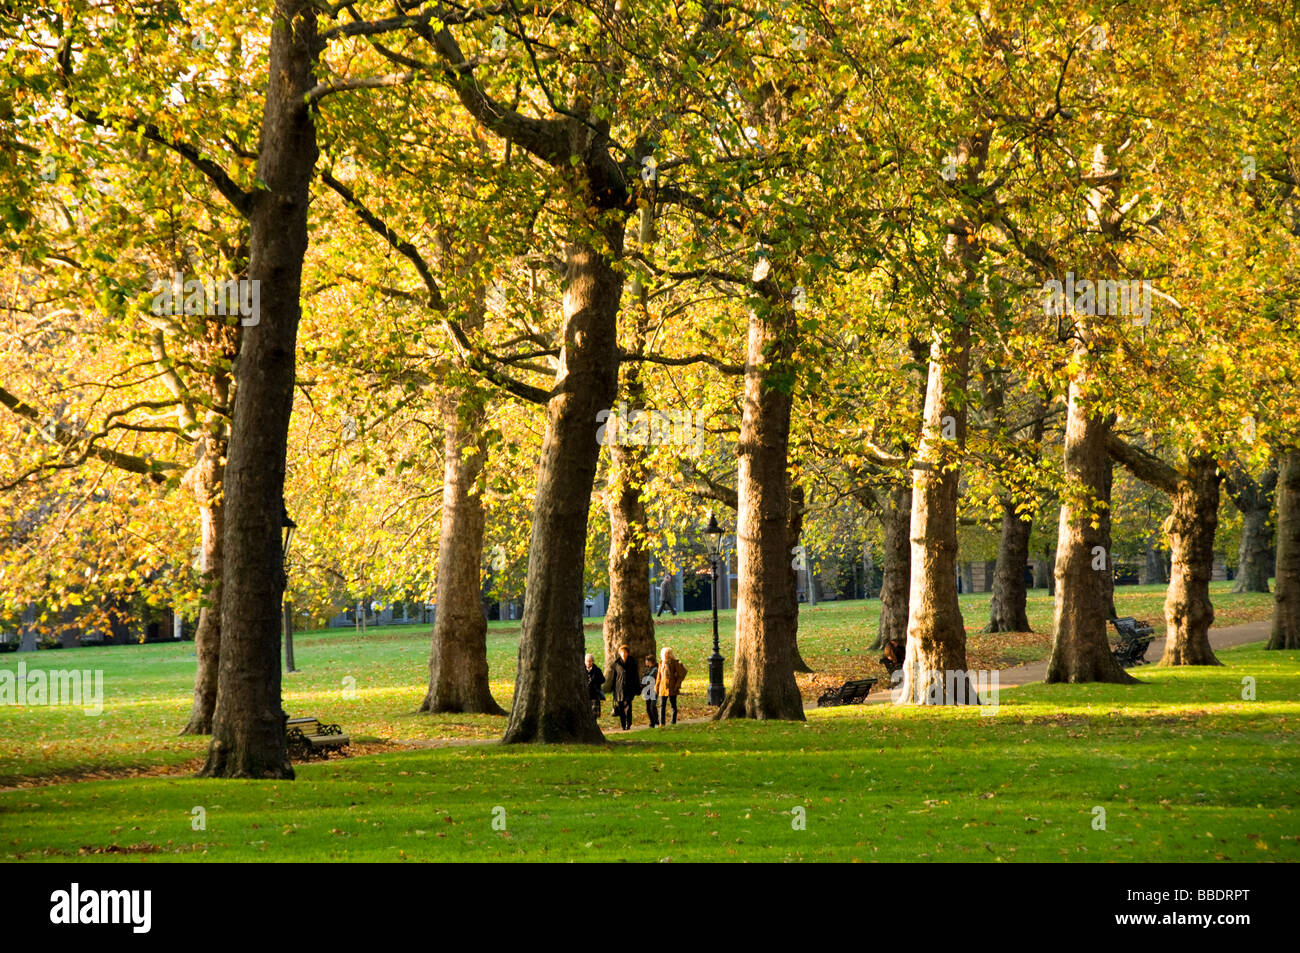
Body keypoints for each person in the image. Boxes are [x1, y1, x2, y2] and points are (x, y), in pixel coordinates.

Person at [609, 644, 639, 730]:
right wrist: (613, 688)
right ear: (619, 653)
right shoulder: (617, 663)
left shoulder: (632, 662)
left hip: (629, 688)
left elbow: (635, 675)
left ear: (628, 653)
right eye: (622, 652)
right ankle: (623, 724)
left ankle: (628, 723)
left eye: (625, 652)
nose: (624, 654)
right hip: (619, 688)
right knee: (621, 708)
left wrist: (637, 687)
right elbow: (614, 677)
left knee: (628, 707)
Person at [655, 647, 687, 725]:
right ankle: (662, 723)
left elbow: (680, 675)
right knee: (662, 706)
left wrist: (677, 686)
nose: (666, 655)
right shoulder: (661, 663)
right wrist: (657, 686)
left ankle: (673, 722)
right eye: (665, 653)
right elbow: (659, 677)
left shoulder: (674, 663)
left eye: (668, 653)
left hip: (672, 687)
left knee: (673, 705)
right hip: (663, 687)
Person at [584, 653, 605, 721]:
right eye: (587, 661)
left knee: (594, 715)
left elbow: (603, 680)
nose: (588, 663)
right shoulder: (582, 670)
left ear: (592, 661)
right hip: (585, 695)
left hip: (594, 695)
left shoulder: (597, 670)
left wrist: (595, 680)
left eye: (590, 661)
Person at [640, 654, 659, 728]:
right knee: (648, 707)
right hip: (647, 690)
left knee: (652, 706)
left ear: (649, 661)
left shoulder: (655, 670)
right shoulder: (647, 669)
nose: (645, 662)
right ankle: (652, 722)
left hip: (653, 690)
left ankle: (656, 721)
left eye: (646, 660)